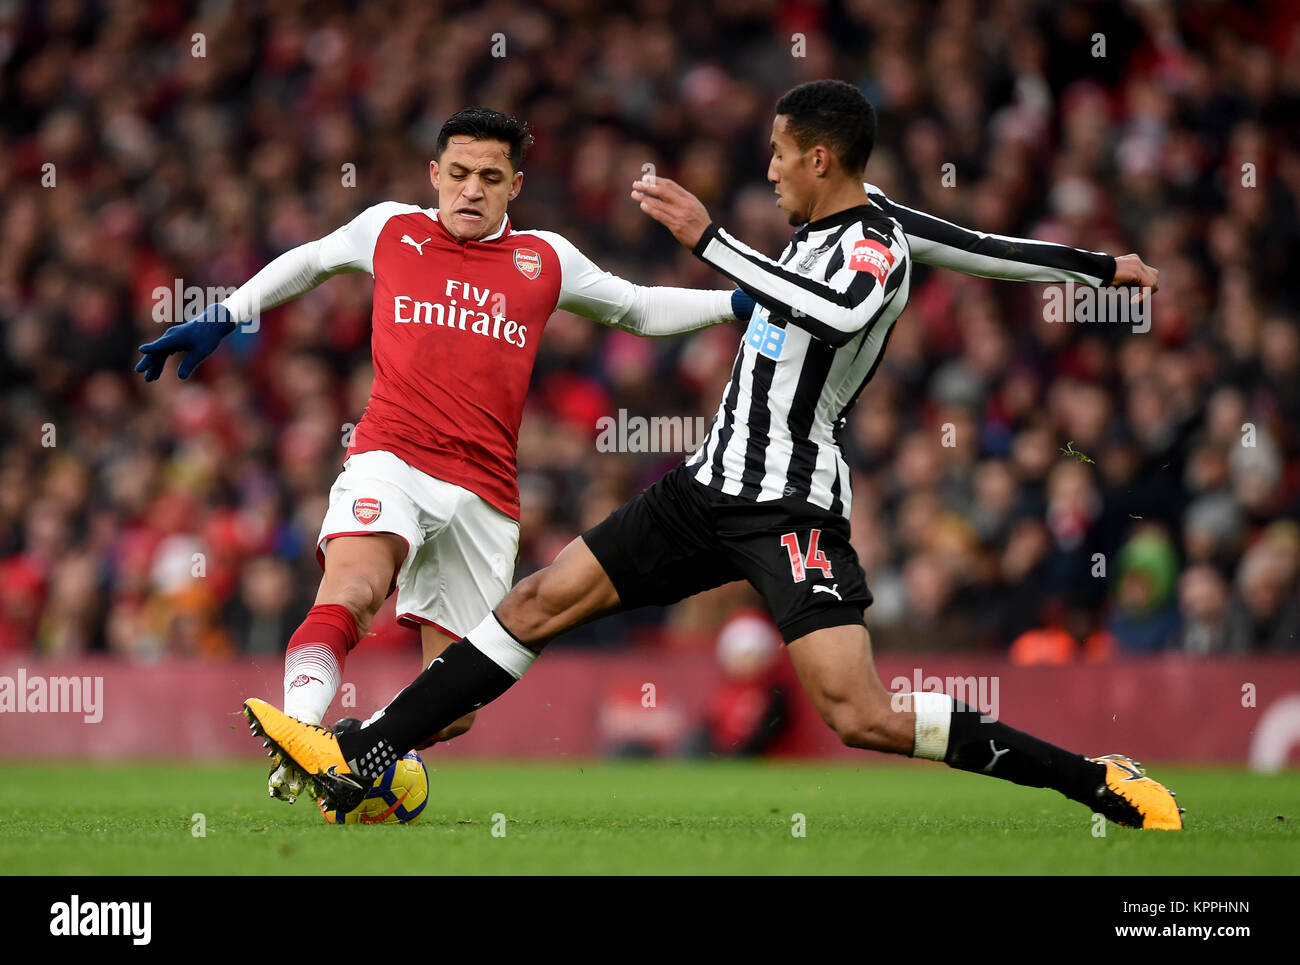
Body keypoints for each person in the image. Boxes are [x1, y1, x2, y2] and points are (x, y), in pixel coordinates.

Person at [244, 80, 1182, 830]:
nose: (768, 170)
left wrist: (711, 243)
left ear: (820, 157)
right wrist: (1098, 267)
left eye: (777, 154)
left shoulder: (873, 247)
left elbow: (837, 313)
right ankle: (362, 750)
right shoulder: (837, 227)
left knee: (859, 714)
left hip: (790, 507)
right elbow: (985, 246)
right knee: (534, 604)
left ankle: (1091, 778)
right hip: (706, 482)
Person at [139, 107, 749, 802]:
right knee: (355, 589)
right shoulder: (390, 229)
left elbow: (636, 308)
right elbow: (310, 261)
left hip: (486, 493)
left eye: (490, 177)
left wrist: (736, 302)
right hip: (390, 458)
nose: (470, 190)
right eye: (457, 174)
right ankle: (301, 726)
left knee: (456, 708)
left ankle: (347, 747)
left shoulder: (545, 259)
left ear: (514, 185)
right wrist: (222, 314)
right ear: (434, 174)